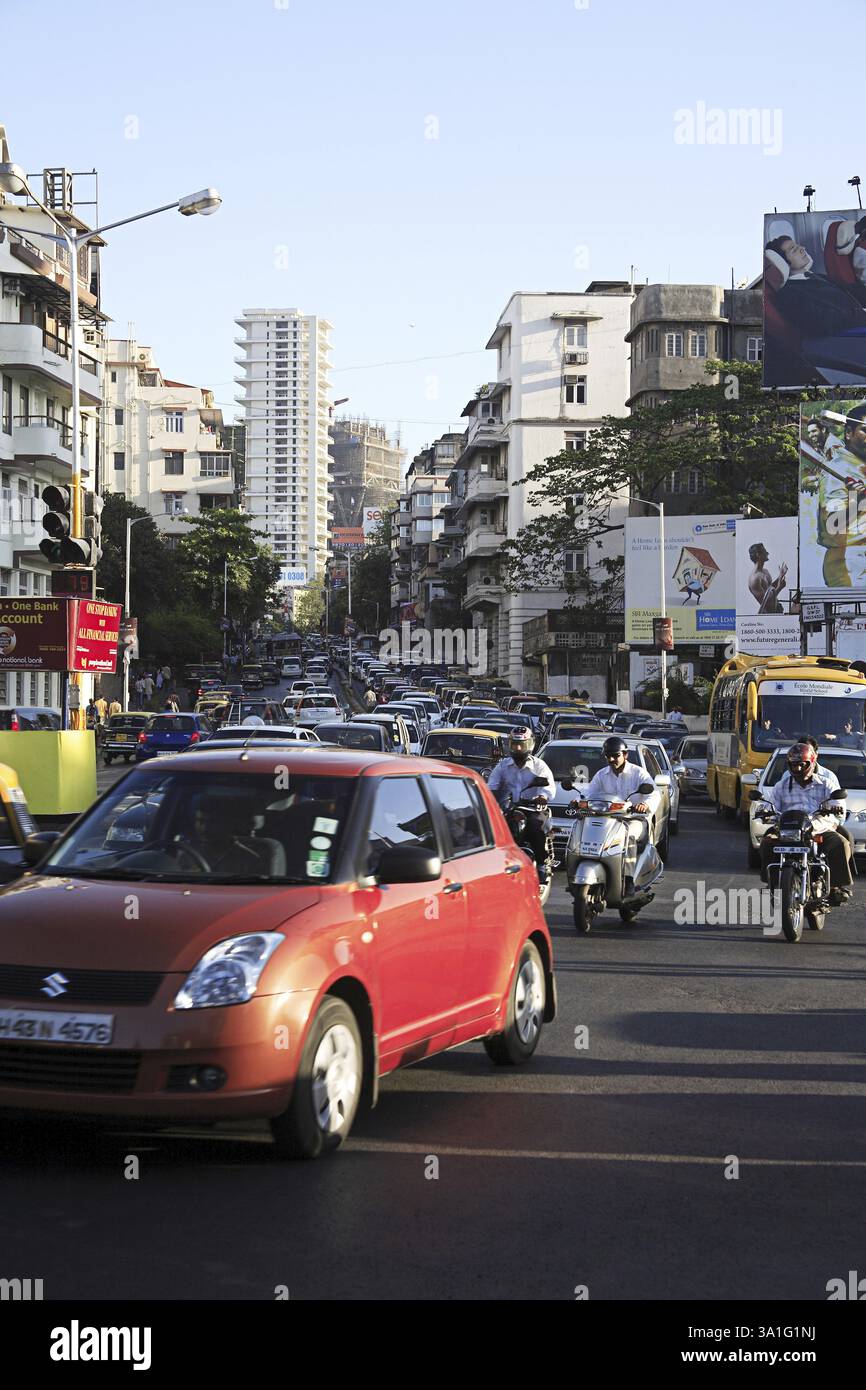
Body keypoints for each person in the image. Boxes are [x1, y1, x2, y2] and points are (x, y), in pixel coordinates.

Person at [758, 740, 852, 905]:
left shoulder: (826, 784)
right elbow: (770, 804)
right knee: (767, 842)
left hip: (817, 829)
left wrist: (833, 808)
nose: (797, 769)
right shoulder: (781, 786)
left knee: (840, 843)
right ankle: (772, 884)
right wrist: (764, 810)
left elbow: (839, 803)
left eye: (801, 764)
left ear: (811, 762)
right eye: (793, 765)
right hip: (789, 829)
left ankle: (836, 887)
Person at [487, 728, 556, 883]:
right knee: (492, 829)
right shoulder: (503, 766)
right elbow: (492, 785)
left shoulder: (540, 766)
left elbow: (549, 787)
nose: (518, 748)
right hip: (508, 809)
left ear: (529, 745)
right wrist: (488, 796)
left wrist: (542, 797)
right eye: (514, 744)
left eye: (521, 745)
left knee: (535, 826)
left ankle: (542, 865)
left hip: (532, 809)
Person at [765, 235, 866, 338]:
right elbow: (822, 321)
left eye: (798, 246)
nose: (802, 248)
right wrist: (861, 315)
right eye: (794, 249)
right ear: (782, 262)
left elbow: (849, 290)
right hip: (847, 335)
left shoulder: (816, 276)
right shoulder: (789, 293)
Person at [747, 542, 788, 614]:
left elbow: (769, 590)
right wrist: (780, 587)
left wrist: (780, 576)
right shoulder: (754, 579)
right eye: (765, 551)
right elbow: (768, 605)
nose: (767, 553)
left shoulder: (765, 571)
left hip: (777, 610)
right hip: (768, 616)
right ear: (758, 555)